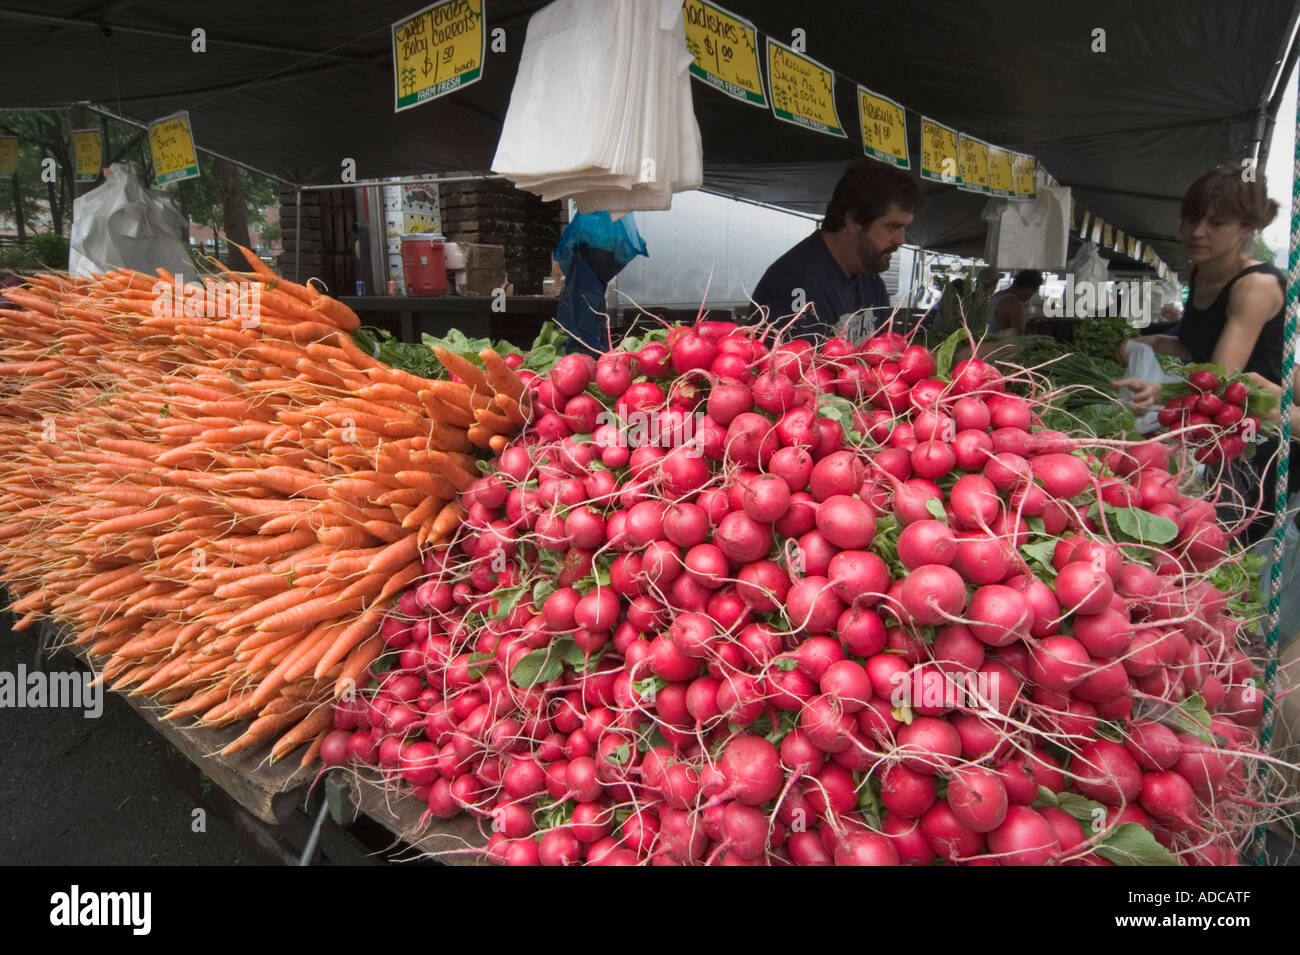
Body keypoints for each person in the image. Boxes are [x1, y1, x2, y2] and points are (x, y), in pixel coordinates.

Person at [1114, 164, 1295, 543]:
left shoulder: (1256, 285)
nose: (1198, 232)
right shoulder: (1201, 273)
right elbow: (1195, 348)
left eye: (1217, 223)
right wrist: (1151, 344)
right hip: (1213, 430)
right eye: (1193, 219)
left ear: (1246, 229)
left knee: (1220, 541)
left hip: (1254, 438)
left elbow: (1219, 379)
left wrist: (1159, 393)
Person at [750, 160, 924, 343]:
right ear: (853, 221)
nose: (901, 240)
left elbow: (892, 352)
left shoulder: (869, 278)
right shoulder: (797, 282)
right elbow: (796, 367)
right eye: (892, 227)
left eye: (904, 228)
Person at [989, 270, 1042, 337]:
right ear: (1030, 288)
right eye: (1033, 292)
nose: (1029, 299)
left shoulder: (996, 296)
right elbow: (1018, 338)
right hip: (1001, 346)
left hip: (987, 344)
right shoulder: (1014, 304)